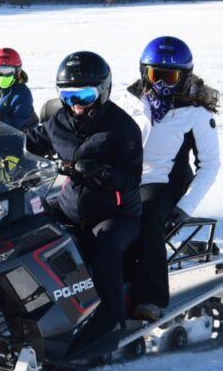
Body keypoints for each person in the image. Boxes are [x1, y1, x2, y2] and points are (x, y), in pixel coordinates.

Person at [26, 51, 142, 354]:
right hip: (69, 206)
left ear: (103, 91)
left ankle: (110, 316)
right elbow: (30, 141)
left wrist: (102, 172)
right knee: (26, 219)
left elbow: (132, 178)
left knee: (103, 242)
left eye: (85, 95)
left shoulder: (122, 128)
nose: (76, 103)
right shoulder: (59, 121)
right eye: (68, 95)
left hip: (115, 214)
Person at [126, 36, 221, 321]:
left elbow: (210, 164)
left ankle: (151, 298)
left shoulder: (196, 114)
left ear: (184, 77)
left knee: (147, 217)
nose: (162, 83)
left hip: (167, 181)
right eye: (156, 75)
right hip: (127, 177)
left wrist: (185, 207)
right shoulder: (129, 100)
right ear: (145, 72)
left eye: (171, 76)